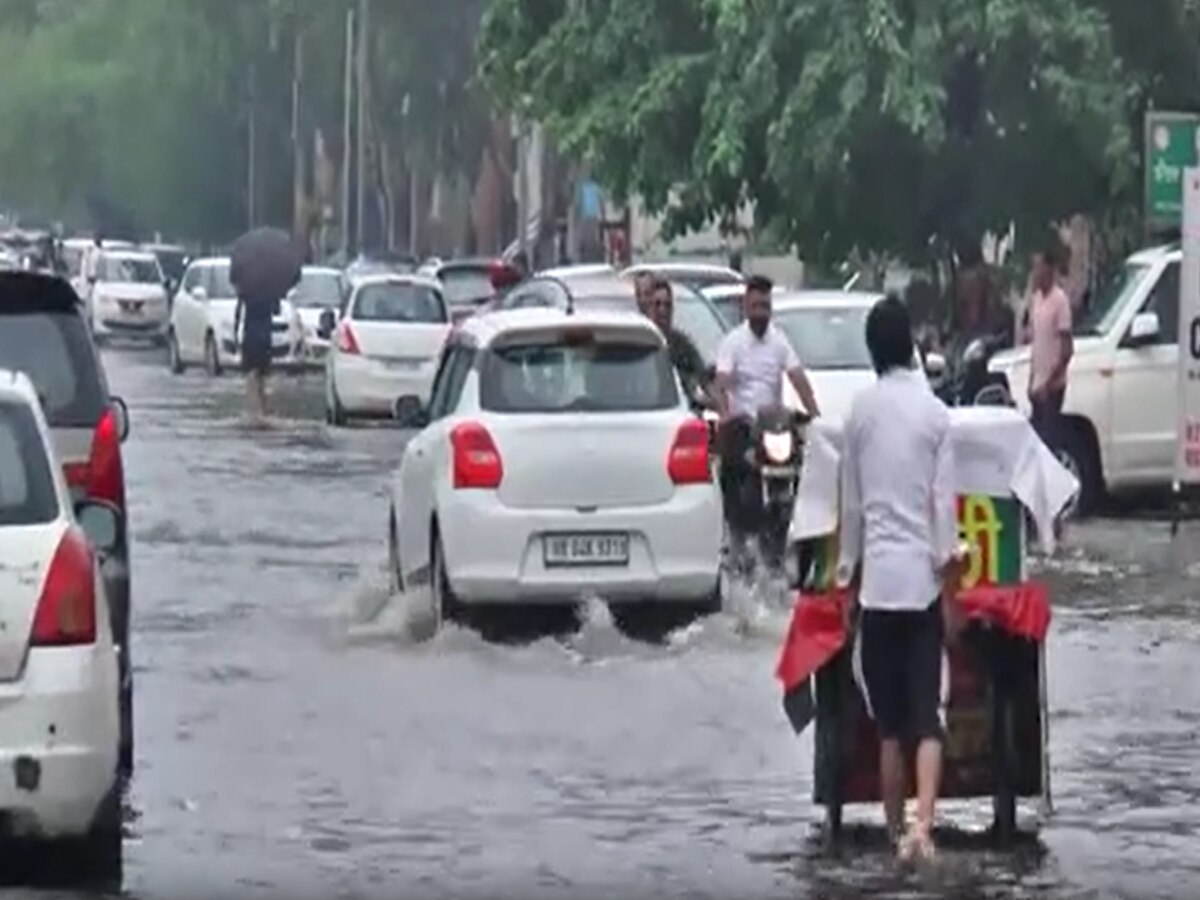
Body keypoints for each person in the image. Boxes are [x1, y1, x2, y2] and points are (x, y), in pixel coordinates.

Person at [837, 294, 964, 862]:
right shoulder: (936, 415)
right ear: (911, 345)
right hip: (921, 587)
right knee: (928, 719)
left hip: (878, 590)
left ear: (872, 351)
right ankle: (925, 829)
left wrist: (847, 580)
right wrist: (951, 588)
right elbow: (944, 510)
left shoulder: (859, 413)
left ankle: (894, 833)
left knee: (889, 728)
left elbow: (852, 509)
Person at [712, 275, 820, 539]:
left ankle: (791, 518)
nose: (761, 312)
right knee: (735, 466)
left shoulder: (779, 341)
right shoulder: (733, 342)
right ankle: (737, 525)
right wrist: (724, 413)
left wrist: (816, 416)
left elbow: (798, 378)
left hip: (772, 426)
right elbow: (721, 382)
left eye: (765, 306)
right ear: (746, 308)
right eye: (756, 306)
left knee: (800, 459)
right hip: (743, 425)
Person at [1024, 236, 1073, 452]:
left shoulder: (1060, 301)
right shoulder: (1036, 300)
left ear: (1049, 270)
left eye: (1039, 268)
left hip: (1052, 387)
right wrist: (1032, 380)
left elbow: (1067, 350)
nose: (1035, 274)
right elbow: (1036, 345)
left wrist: (1049, 383)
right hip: (1037, 386)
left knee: (1049, 443)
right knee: (1035, 443)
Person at [646, 277, 708, 401]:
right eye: (657, 304)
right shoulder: (640, 343)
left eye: (667, 305)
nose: (662, 310)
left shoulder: (683, 345)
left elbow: (703, 378)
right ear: (649, 308)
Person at [233, 291, 278, 424]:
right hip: (265, 337)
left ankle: (255, 410)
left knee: (252, 374)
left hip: (251, 335)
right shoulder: (269, 290)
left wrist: (235, 332)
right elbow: (276, 310)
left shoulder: (247, 288)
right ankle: (262, 409)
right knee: (262, 375)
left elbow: (238, 312)